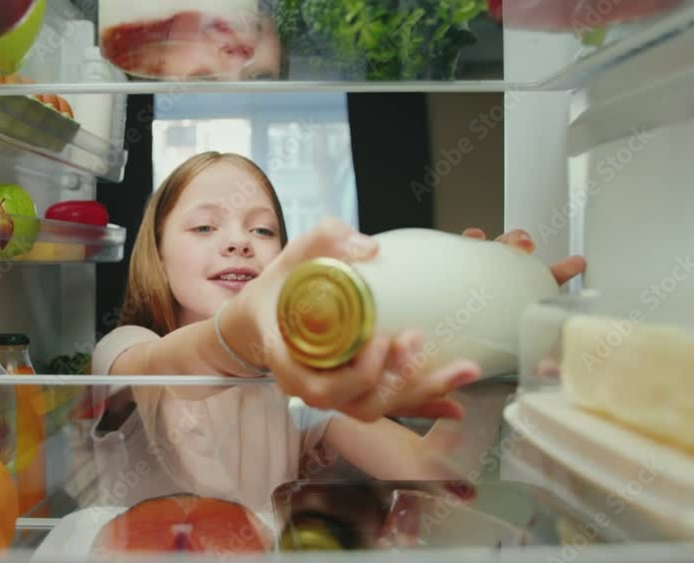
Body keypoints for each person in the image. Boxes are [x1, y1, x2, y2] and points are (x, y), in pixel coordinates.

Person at [86, 151, 586, 515]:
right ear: (157, 251)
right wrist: (245, 334)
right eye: (204, 228)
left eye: (262, 231)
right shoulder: (125, 348)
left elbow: (434, 470)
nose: (239, 242)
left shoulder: (299, 395)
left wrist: (490, 352)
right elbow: (170, 365)